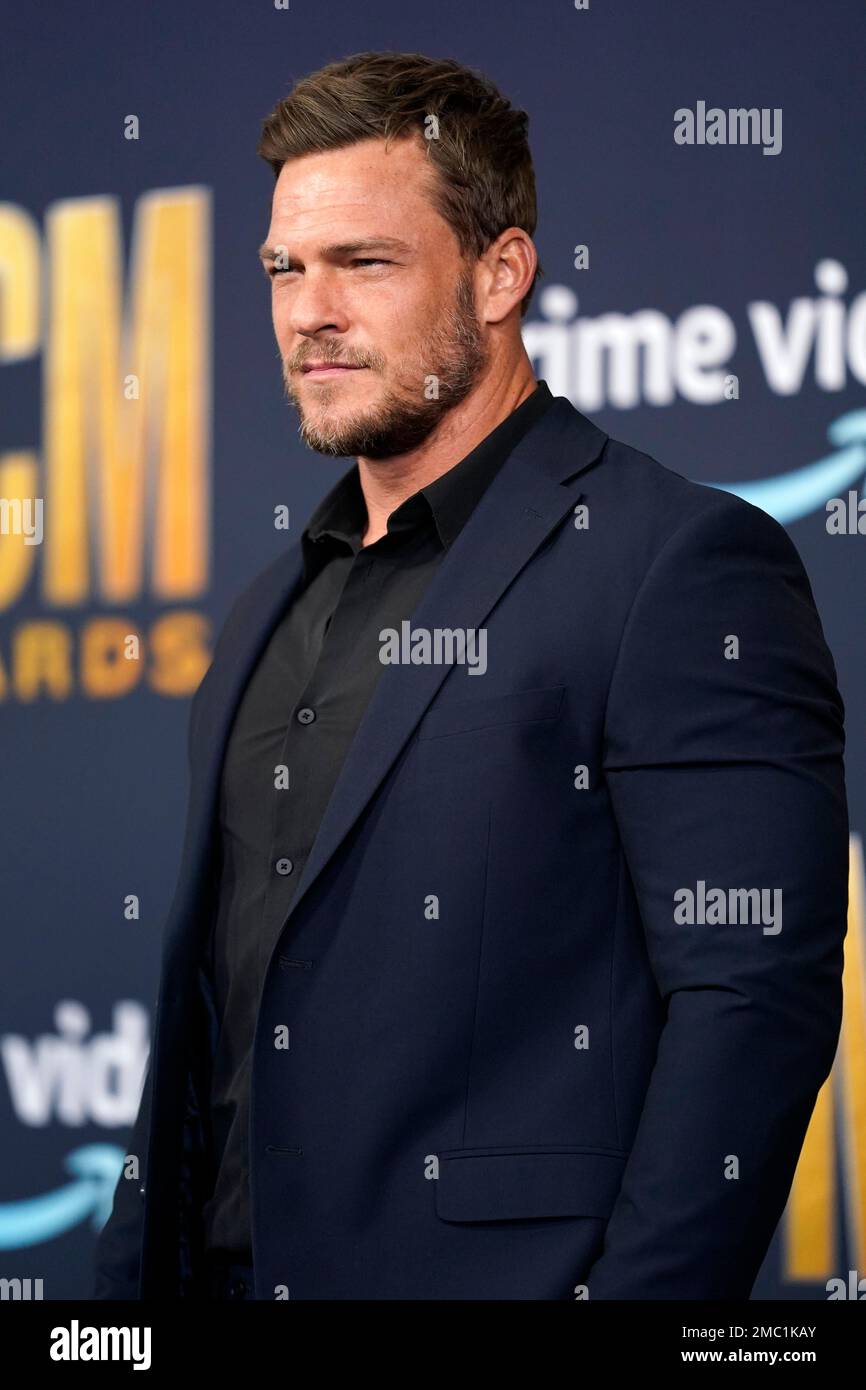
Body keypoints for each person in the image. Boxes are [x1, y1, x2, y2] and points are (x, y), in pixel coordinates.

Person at [93, 50, 848, 1301]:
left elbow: (749, 1006)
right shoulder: (262, 612)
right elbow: (204, 1043)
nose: (306, 311)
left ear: (499, 274)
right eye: (285, 267)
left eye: (363, 263)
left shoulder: (675, 564)